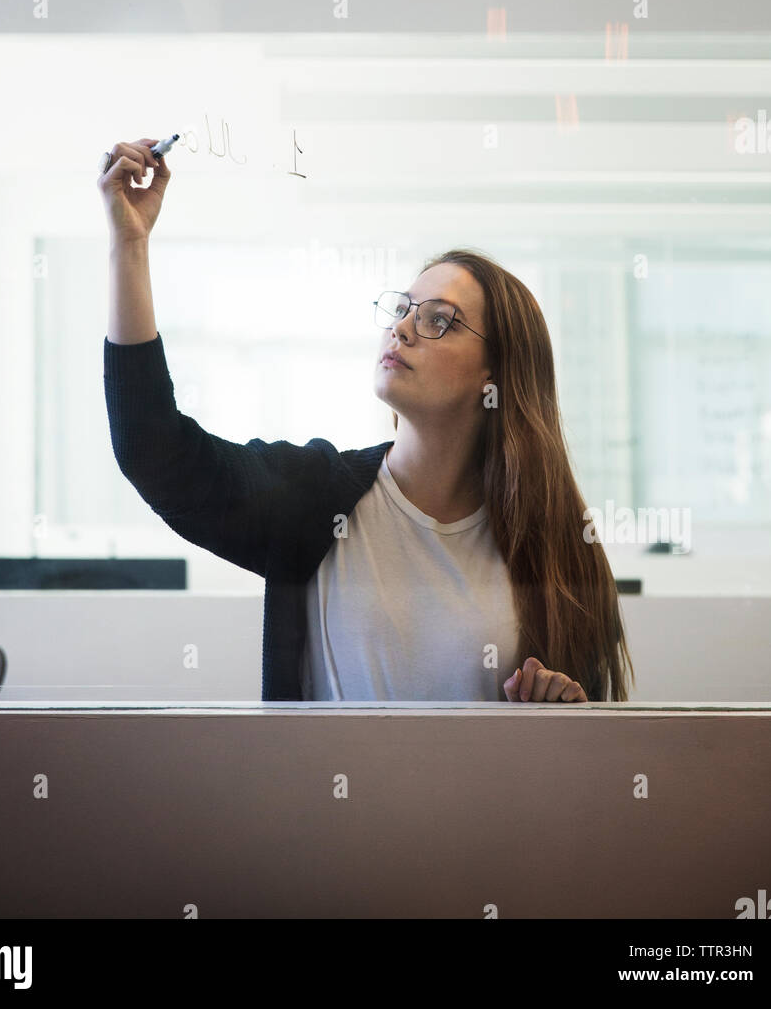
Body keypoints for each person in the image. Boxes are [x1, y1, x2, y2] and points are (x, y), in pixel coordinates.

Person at [98, 137, 635, 704]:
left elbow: (582, 759)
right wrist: (128, 245)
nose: (401, 328)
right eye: (401, 309)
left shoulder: (558, 551)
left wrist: (565, 714)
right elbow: (153, 450)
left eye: (439, 322)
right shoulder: (312, 497)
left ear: (495, 375)